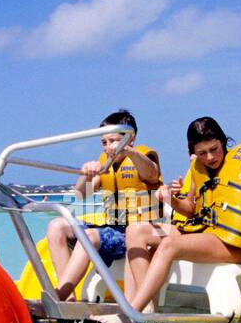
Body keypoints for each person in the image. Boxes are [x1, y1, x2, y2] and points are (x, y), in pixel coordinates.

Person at [114, 116, 241, 323]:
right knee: (136, 231)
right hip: (202, 234)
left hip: (230, 245)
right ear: (192, 151)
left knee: (168, 245)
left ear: (223, 142)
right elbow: (190, 210)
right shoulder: (197, 170)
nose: (210, 157)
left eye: (214, 149)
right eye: (202, 153)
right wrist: (171, 199)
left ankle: (130, 314)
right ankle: (146, 310)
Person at [46, 110, 161, 302]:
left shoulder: (143, 158)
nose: (108, 147)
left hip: (136, 235)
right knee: (57, 225)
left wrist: (129, 153)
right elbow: (81, 193)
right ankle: (67, 300)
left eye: (114, 141)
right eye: (104, 142)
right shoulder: (104, 164)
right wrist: (87, 174)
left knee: (90, 236)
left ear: (130, 140)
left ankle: (57, 297)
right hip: (112, 230)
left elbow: (151, 174)